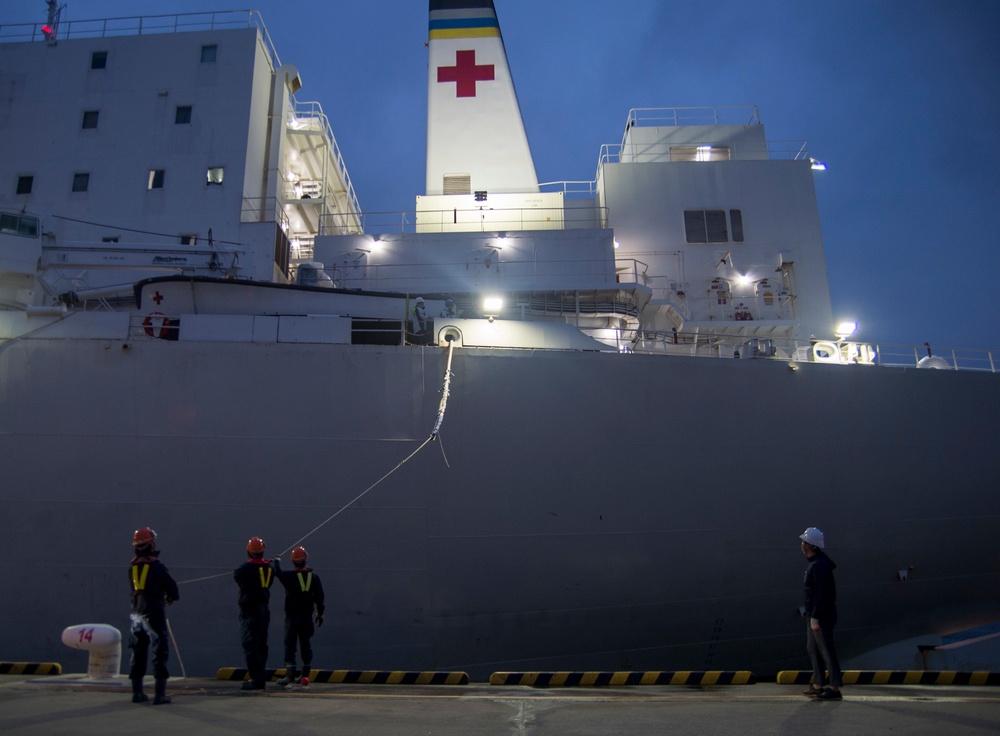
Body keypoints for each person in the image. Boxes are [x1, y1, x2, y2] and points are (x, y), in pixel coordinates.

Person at [128, 526, 180, 705]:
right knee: (159, 651)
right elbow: (172, 587)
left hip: (136, 614)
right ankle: (159, 695)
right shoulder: (157, 566)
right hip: (153, 613)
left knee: (138, 651)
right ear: (151, 544)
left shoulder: (133, 566)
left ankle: (137, 693)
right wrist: (171, 595)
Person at [800, 526, 843, 700]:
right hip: (814, 615)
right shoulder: (816, 564)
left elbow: (822, 594)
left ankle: (835, 688)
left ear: (809, 545)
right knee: (812, 648)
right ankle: (818, 684)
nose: (802, 545)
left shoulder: (819, 566)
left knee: (826, 651)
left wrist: (815, 617)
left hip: (821, 616)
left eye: (804, 542)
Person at [275, 545, 325, 687]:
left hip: (292, 617)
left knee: (290, 645)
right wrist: (320, 614)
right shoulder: (313, 578)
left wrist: (277, 560)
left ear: (292, 561)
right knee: (305, 644)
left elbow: (277, 573)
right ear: (305, 559)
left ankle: (290, 676)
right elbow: (319, 598)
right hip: (306, 617)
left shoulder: (289, 577)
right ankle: (304, 675)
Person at [234, 535, 277, 691]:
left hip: (250, 610)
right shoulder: (269, 568)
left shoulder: (245, 569)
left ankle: (256, 679)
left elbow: (237, 575)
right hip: (264, 609)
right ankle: (260, 677)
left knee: (250, 644)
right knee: (261, 645)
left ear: (249, 551)